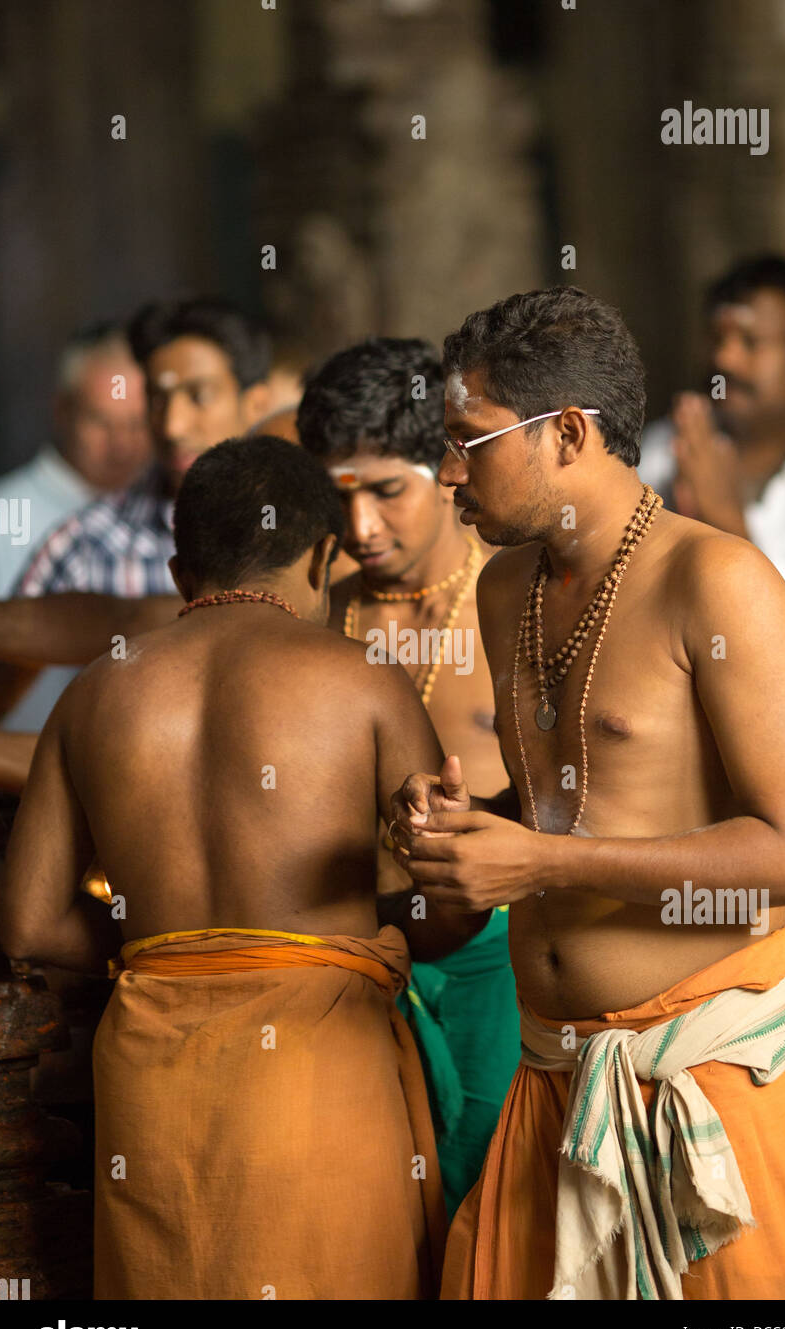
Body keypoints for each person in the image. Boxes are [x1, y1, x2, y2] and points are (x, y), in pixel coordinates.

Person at [390, 286, 785, 1300]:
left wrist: (540, 862)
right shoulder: (504, 587)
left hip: (712, 1080)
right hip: (552, 1074)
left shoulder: (718, 582)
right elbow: (583, 798)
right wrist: (478, 830)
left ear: (564, 433)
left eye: (469, 442)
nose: (448, 473)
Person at [0, 435, 489, 1300]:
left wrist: (165, 934)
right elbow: (450, 911)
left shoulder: (97, 693)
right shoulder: (366, 679)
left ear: (185, 571)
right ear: (323, 555)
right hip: (316, 1065)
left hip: (155, 1076)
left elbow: (29, 922)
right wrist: (373, 916)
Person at [297, 337, 521, 1216]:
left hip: (497, 968)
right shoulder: (317, 613)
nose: (360, 531)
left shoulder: (513, 598)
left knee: (496, 1217)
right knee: (373, 1222)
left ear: (448, 466)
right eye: (339, 498)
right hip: (347, 966)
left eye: (388, 491)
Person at [0, 298, 276, 789]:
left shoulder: (303, 530)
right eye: (159, 399)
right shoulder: (85, 542)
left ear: (256, 403)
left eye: (198, 396)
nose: (171, 426)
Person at [640, 256, 785, 908]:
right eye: (719, 338)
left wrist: (727, 522)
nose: (726, 358)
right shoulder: (652, 459)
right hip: (691, 853)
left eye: (753, 342)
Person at [0, 323, 151, 738]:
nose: (121, 445)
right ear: (61, 409)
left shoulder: (172, 512)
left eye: (136, 423)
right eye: (101, 421)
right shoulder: (1, 514)